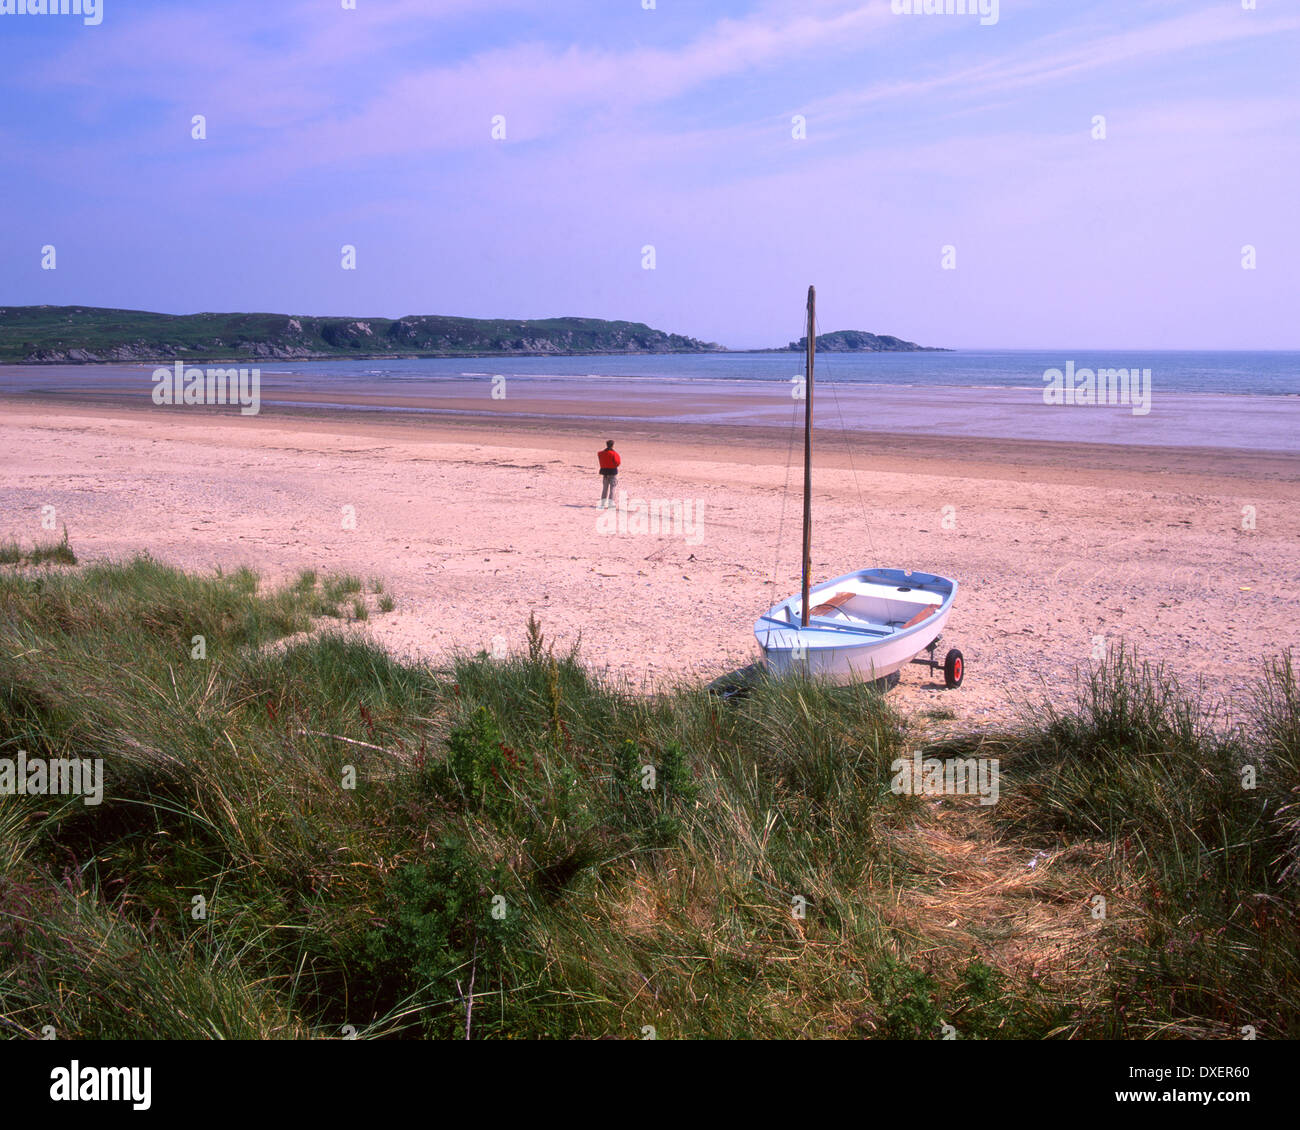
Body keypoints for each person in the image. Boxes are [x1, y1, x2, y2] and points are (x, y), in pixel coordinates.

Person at [597, 439, 621, 508]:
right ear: (613, 445)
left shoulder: (601, 453)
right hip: (612, 472)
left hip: (605, 472)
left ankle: (602, 504)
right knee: (612, 489)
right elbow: (618, 462)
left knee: (605, 489)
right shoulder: (614, 453)